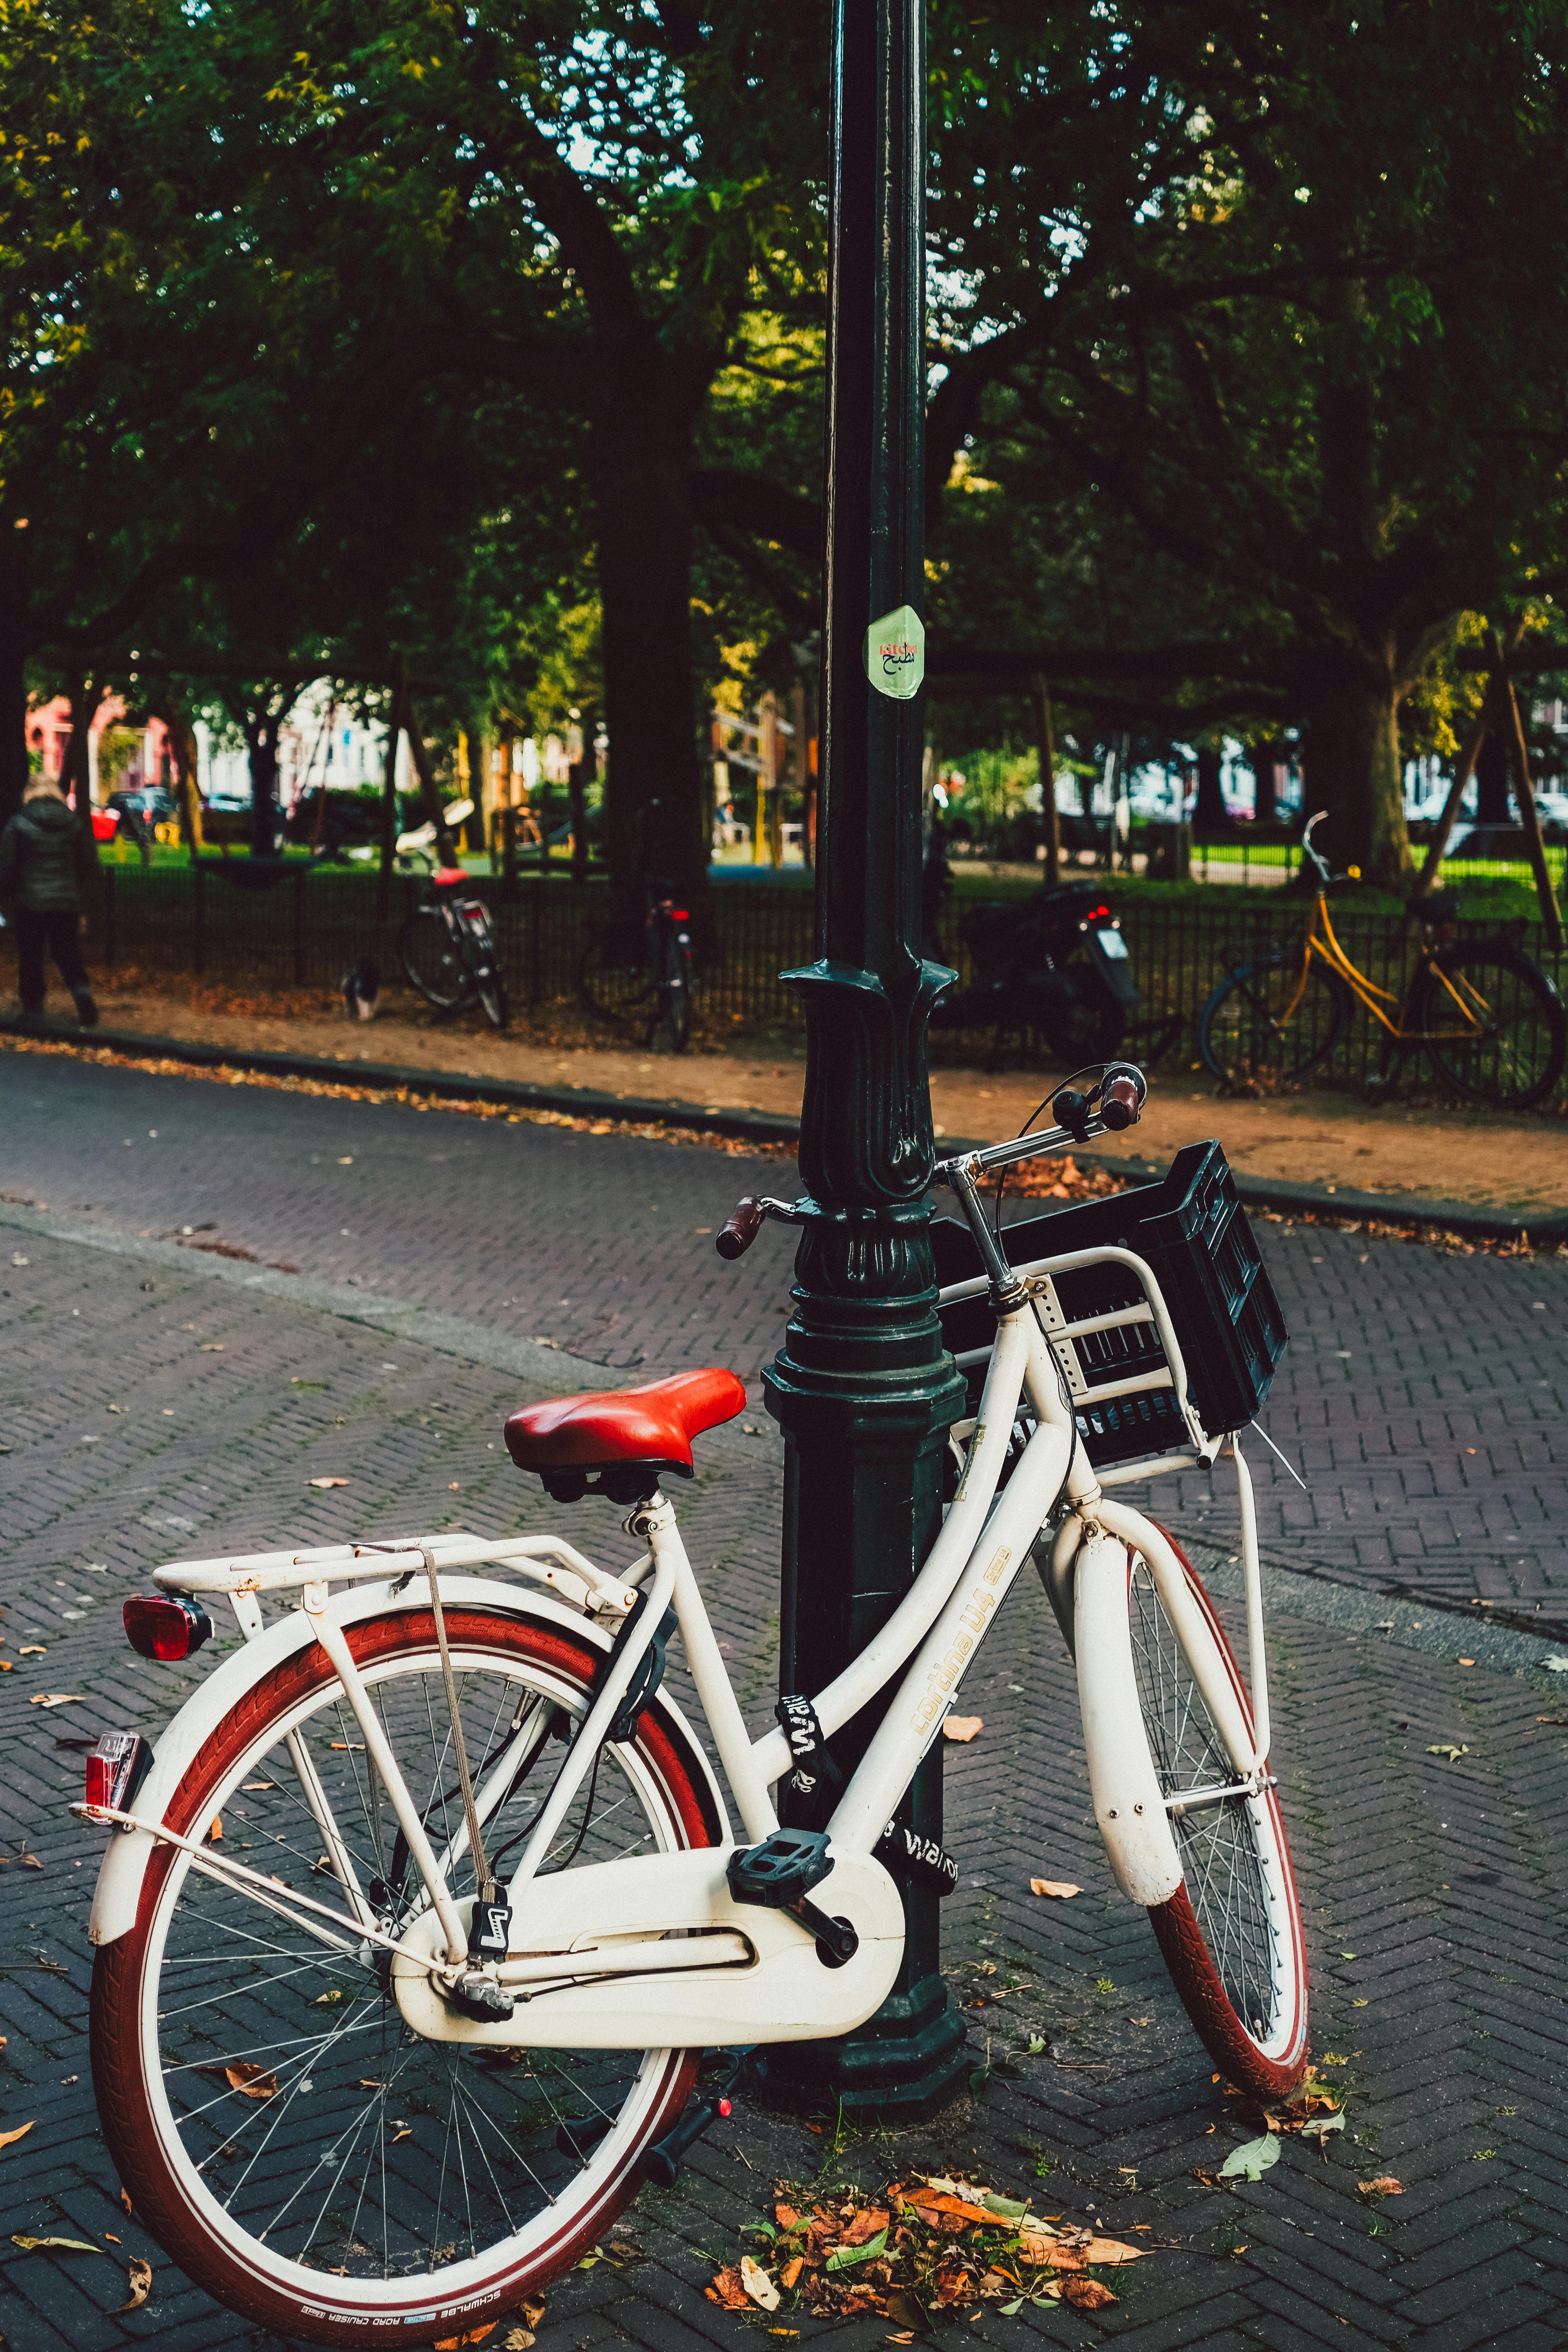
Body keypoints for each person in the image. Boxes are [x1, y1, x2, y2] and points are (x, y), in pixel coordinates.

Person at [0, 773, 99, 1025]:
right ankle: (82, 994)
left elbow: (7, 867)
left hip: (31, 901)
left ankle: (33, 1008)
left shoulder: (19, 823)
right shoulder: (72, 823)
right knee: (67, 952)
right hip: (66, 901)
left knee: (31, 954)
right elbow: (85, 864)